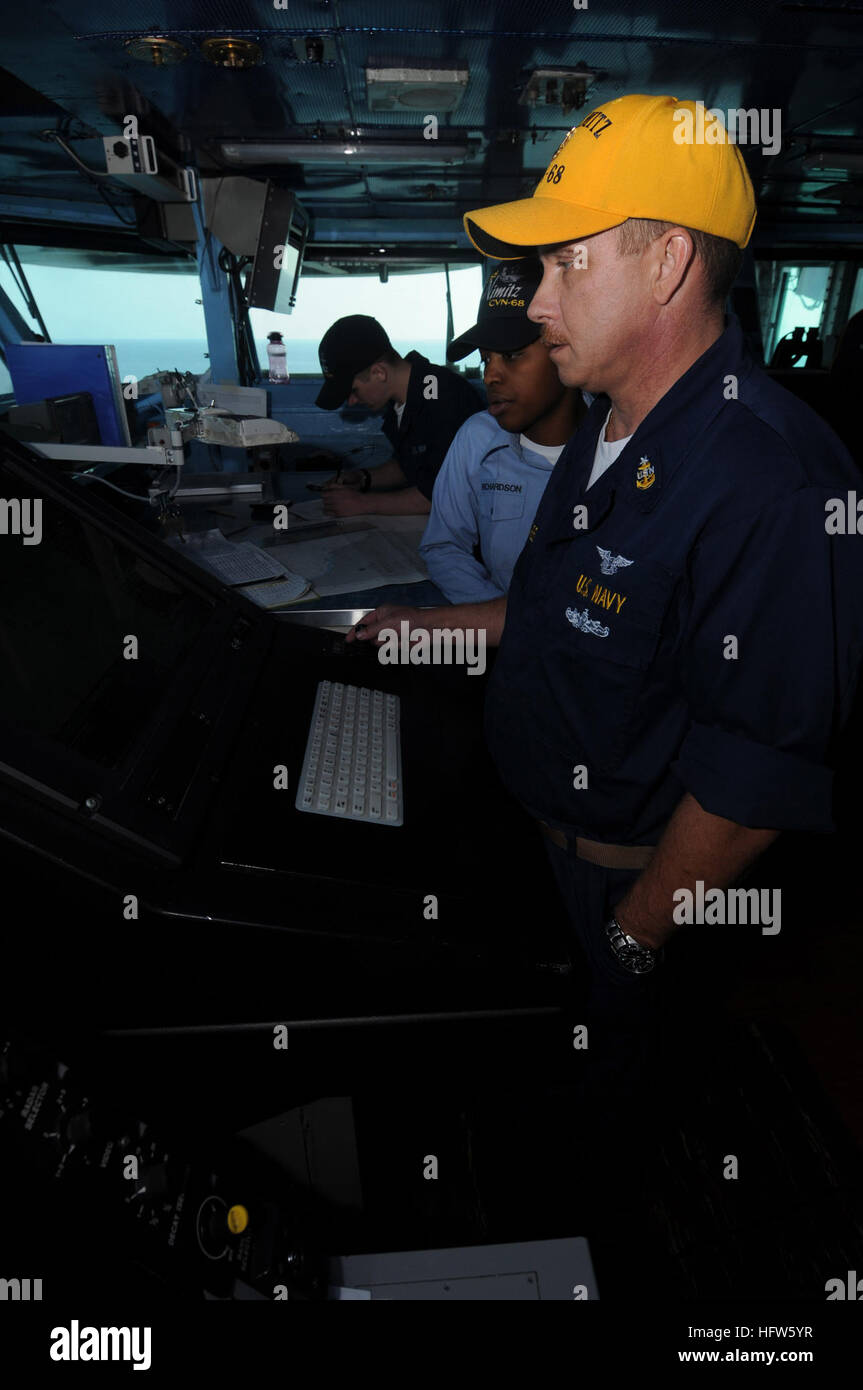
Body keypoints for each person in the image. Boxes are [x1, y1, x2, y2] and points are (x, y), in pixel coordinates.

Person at [347, 94, 863, 1160]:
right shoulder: (608, 429)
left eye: (563, 265)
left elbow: (754, 771)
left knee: (619, 1121)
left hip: (630, 889)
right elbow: (547, 616)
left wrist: (633, 931)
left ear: (668, 263)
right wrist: (421, 629)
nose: (534, 304)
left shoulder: (771, 481)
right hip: (536, 840)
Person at [420, 258, 588, 602]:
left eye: (511, 355)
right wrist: (501, 621)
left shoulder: (621, 443)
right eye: (486, 359)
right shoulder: (477, 438)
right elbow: (444, 545)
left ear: (566, 349)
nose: (490, 376)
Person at [313, 314, 482, 516]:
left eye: (354, 391)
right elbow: (412, 466)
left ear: (379, 373)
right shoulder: (400, 402)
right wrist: (363, 478)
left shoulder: (444, 397)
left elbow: (448, 492)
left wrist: (363, 504)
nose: (351, 401)